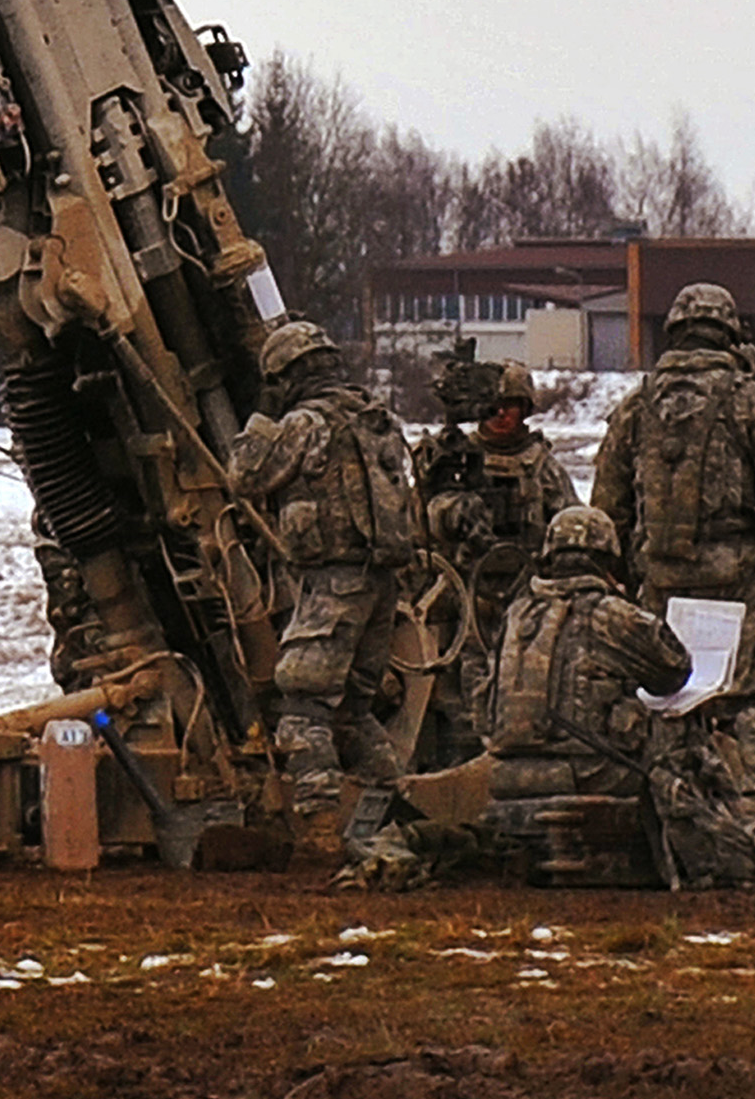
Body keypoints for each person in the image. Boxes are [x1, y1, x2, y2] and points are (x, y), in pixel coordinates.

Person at [592, 280, 755, 850]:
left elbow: (607, 502)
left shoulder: (636, 405)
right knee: (749, 696)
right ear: (729, 332)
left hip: (661, 584)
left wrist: (618, 569)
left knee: (667, 697)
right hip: (739, 584)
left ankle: (673, 813)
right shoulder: (744, 398)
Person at [228, 312, 428, 804]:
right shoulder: (375, 419)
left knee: (303, 706)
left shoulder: (306, 423)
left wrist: (261, 416)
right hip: (379, 584)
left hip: (334, 585)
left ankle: (317, 817)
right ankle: (391, 803)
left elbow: (245, 476)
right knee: (353, 713)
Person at [482, 503, 693, 870]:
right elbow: (674, 671)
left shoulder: (517, 613)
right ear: (608, 559)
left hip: (505, 775)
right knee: (682, 743)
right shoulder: (610, 613)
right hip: (589, 772)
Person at [418, 370, 571, 770]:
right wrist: (452, 510)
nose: (503, 416)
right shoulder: (454, 461)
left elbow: (570, 525)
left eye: (513, 407)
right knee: (461, 695)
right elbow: (418, 520)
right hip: (464, 596)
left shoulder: (543, 467)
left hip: (526, 594)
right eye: (495, 407)